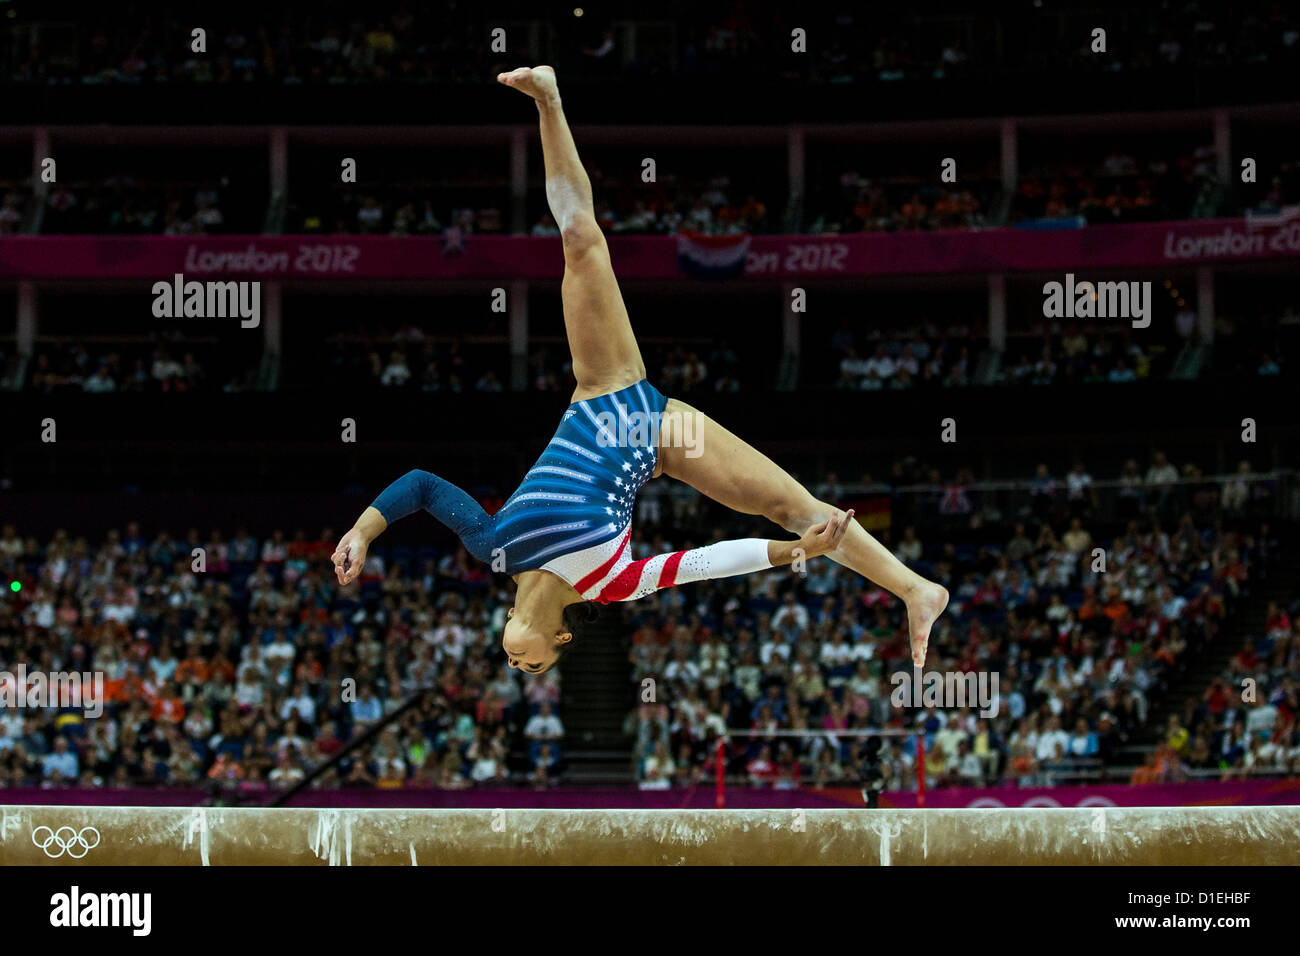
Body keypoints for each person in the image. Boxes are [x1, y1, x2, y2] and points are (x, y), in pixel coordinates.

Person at [332, 66, 948, 676]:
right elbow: (703, 562)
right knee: (794, 508)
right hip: (655, 428)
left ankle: (548, 98)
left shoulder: (494, 546)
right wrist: (792, 554)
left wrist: (362, 533)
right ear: (562, 640)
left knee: (580, 242)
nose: (519, 663)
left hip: (603, 392)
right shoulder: (610, 585)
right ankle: (917, 589)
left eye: (518, 666)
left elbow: (420, 486)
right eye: (534, 668)